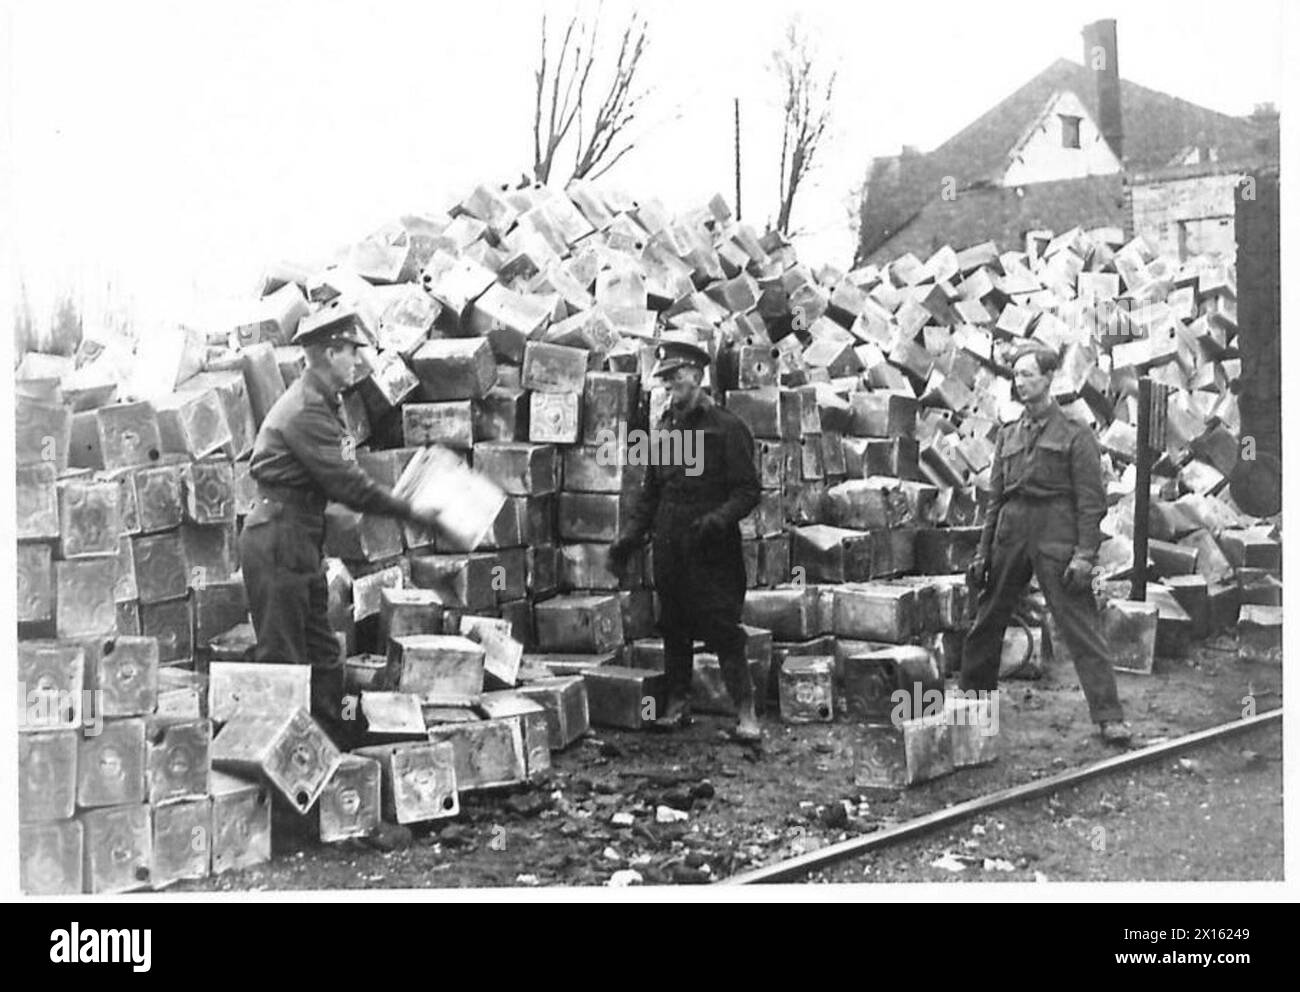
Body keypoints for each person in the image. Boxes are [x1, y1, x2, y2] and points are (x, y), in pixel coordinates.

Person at [239, 300, 443, 752]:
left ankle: (333, 760)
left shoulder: (327, 405)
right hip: (278, 539)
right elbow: (347, 484)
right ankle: (286, 794)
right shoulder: (306, 410)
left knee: (325, 659)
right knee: (284, 666)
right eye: (353, 351)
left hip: (298, 540)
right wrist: (411, 509)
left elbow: (346, 468)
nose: (359, 360)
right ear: (330, 353)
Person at [959, 346, 1132, 746]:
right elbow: (994, 500)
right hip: (1010, 530)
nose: (1020, 383)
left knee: (1079, 625)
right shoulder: (1007, 435)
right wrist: (984, 552)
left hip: (1056, 532)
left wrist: (1085, 555)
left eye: (1029, 375)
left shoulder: (1076, 433)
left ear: (1050, 378)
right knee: (986, 623)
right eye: (1016, 376)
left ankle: (1109, 716)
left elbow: (1091, 502)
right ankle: (972, 711)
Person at [608, 340, 763, 742]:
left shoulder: (728, 428)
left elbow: (748, 490)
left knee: (724, 629)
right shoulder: (664, 432)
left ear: (697, 376)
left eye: (675, 377)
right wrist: (629, 538)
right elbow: (651, 494)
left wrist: (717, 521)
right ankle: (678, 704)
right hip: (669, 548)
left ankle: (746, 713)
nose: (669, 385)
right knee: (674, 626)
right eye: (665, 380)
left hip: (712, 551)